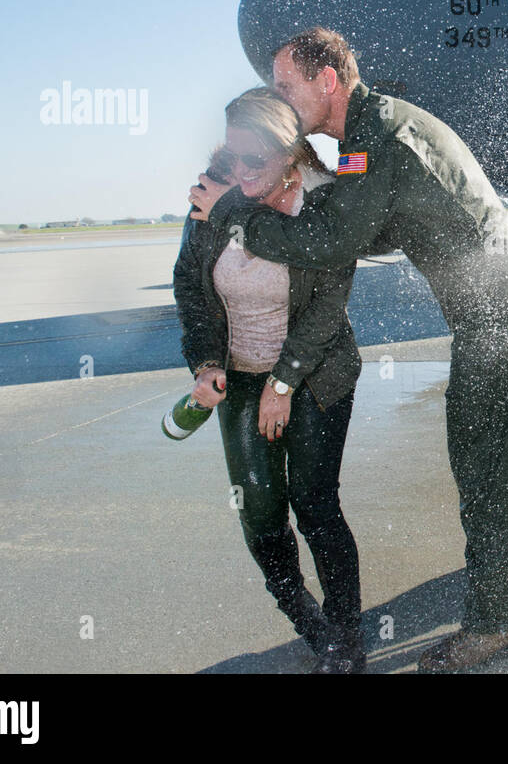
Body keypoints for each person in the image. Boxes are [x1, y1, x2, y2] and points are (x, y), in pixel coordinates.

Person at [188, 28, 508, 672]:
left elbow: (332, 240)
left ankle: (498, 622)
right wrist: (282, 180)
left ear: (326, 81)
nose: (280, 97)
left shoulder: (381, 139)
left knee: (487, 455)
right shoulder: (362, 140)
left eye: (286, 85)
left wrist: (233, 211)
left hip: (496, 306)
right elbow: (350, 201)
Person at [173, 88, 365, 673]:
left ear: (290, 153)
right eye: (235, 158)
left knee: (314, 502)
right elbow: (189, 285)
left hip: (315, 372)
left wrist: (283, 385)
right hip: (241, 374)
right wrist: (207, 364)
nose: (243, 172)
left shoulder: (325, 197)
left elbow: (328, 306)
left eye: (256, 160)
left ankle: (347, 633)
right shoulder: (213, 194)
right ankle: (310, 624)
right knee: (259, 511)